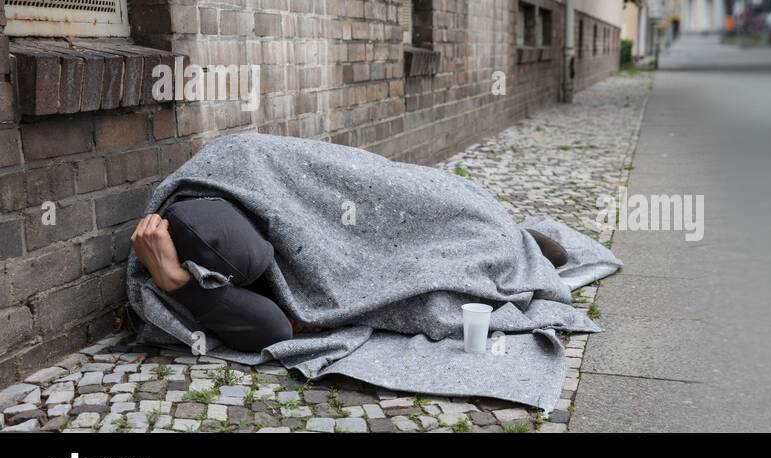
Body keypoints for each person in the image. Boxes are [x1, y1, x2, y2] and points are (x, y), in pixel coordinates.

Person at [131, 198, 568, 353]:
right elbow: (272, 326)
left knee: (423, 209)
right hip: (345, 251)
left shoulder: (220, 188)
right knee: (421, 267)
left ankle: (500, 230)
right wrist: (174, 280)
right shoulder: (213, 274)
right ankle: (506, 242)